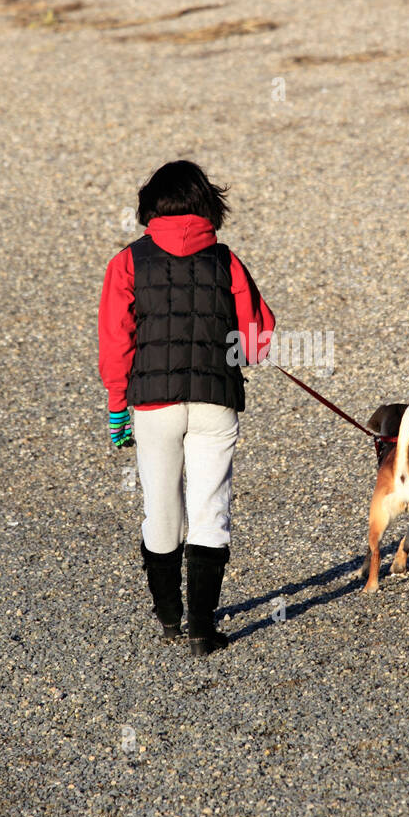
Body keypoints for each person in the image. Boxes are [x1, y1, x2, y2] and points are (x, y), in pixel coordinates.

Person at [98, 160, 275, 657]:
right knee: (210, 507)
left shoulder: (128, 262)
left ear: (151, 206)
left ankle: (169, 620)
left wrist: (117, 409)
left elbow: (116, 345)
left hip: (152, 406)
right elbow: (257, 345)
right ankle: (202, 629)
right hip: (216, 399)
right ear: (206, 205)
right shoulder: (227, 261)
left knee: (161, 507)